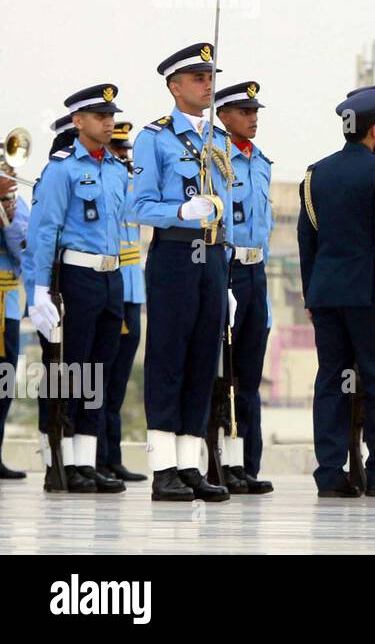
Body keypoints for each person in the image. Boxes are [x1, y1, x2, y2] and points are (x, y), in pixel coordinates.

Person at [298, 87, 375, 498]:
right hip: (370, 298)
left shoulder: (316, 173)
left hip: (327, 296)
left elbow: (307, 240)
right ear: (373, 130)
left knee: (331, 381)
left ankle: (330, 473)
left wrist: (311, 295)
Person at [130, 42, 232, 502]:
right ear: (174, 86)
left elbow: (227, 207)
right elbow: (139, 206)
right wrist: (182, 210)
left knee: (202, 361)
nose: (208, 84)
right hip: (173, 254)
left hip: (211, 256)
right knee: (168, 358)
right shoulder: (154, 138)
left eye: (211, 77)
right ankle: (162, 466)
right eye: (198, 78)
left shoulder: (219, 138)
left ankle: (191, 464)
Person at [26, 84, 131, 494]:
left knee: (98, 373)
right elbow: (44, 230)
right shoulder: (62, 170)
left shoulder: (117, 170)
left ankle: (87, 462)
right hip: (75, 278)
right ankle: (60, 461)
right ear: (78, 121)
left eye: (111, 116)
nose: (109, 123)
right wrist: (38, 291)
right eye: (100, 117)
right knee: (69, 372)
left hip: (111, 277)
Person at [214, 80, 274, 494]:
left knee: (250, 377)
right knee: (222, 375)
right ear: (223, 115)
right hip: (228, 268)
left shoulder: (261, 162)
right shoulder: (215, 160)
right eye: (244, 111)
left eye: (255, 111)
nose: (253, 118)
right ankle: (218, 461)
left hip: (256, 273)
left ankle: (246, 465)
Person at [95, 120, 146, 483]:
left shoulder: (130, 184)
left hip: (132, 292)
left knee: (118, 384)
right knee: (99, 377)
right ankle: (95, 455)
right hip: (108, 287)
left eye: (125, 152)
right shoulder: (106, 184)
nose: (123, 158)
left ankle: (111, 456)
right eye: (117, 151)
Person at [0, 164, 30, 480]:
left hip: (5, 303)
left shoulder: (14, 198)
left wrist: (7, 208)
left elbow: (26, 251)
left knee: (3, 382)